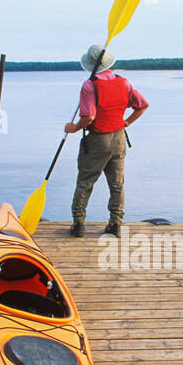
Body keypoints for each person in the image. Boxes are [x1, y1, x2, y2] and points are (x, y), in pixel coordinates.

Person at [64, 44, 149, 237]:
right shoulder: (124, 82)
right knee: (117, 184)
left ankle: (78, 224)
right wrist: (126, 122)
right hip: (119, 139)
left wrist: (74, 128)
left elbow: (89, 117)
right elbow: (142, 106)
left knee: (85, 182)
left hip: (97, 140)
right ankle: (115, 224)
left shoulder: (89, 85)